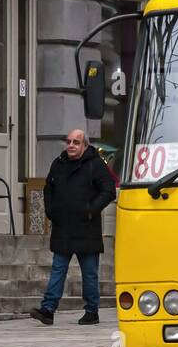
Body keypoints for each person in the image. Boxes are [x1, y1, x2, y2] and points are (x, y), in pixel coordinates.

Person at [30, 129, 116, 326]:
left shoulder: (95, 164)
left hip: (86, 228)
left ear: (84, 146)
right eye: (69, 141)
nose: (71, 145)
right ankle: (48, 309)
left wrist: (90, 210)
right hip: (63, 227)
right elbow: (48, 188)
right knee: (58, 269)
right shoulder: (58, 163)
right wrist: (51, 210)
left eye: (76, 142)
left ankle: (91, 311)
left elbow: (109, 190)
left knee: (89, 273)